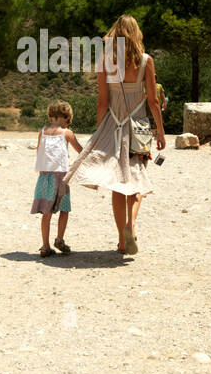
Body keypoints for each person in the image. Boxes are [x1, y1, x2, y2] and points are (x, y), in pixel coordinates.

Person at [64, 15, 165, 255]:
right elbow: (152, 100)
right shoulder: (146, 61)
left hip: (112, 125)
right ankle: (131, 224)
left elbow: (102, 102)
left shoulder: (105, 61)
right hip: (138, 127)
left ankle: (122, 240)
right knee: (136, 180)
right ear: (136, 34)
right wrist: (159, 130)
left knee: (117, 184)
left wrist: (100, 132)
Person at [31, 101, 82, 258]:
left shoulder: (42, 131)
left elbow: (38, 152)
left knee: (46, 212)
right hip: (61, 177)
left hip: (44, 176)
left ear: (50, 117)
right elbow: (81, 151)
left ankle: (45, 246)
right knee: (64, 209)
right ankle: (59, 239)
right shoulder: (67, 133)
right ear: (67, 117)